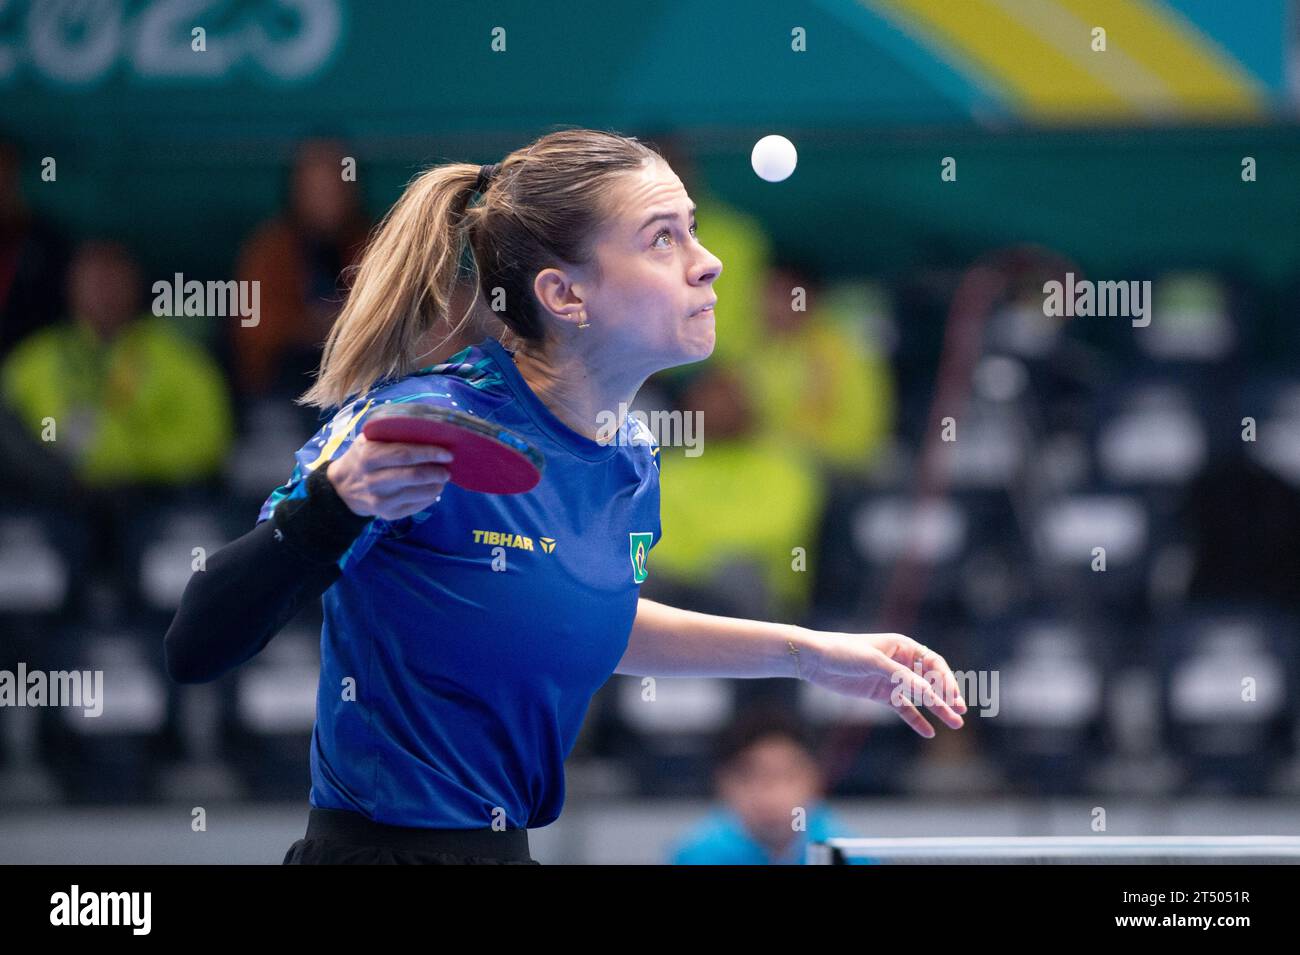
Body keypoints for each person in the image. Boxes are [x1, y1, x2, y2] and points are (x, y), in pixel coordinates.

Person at [163, 128, 967, 865]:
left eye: (693, 228)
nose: (708, 259)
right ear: (565, 294)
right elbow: (198, 646)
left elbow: (585, 615)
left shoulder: (629, 456)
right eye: (663, 238)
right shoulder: (422, 428)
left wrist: (810, 653)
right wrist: (333, 507)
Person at [670, 706, 865, 865]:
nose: (770, 795)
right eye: (750, 777)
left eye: (786, 775)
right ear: (722, 782)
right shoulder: (696, 856)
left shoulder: (848, 854)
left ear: (815, 779)